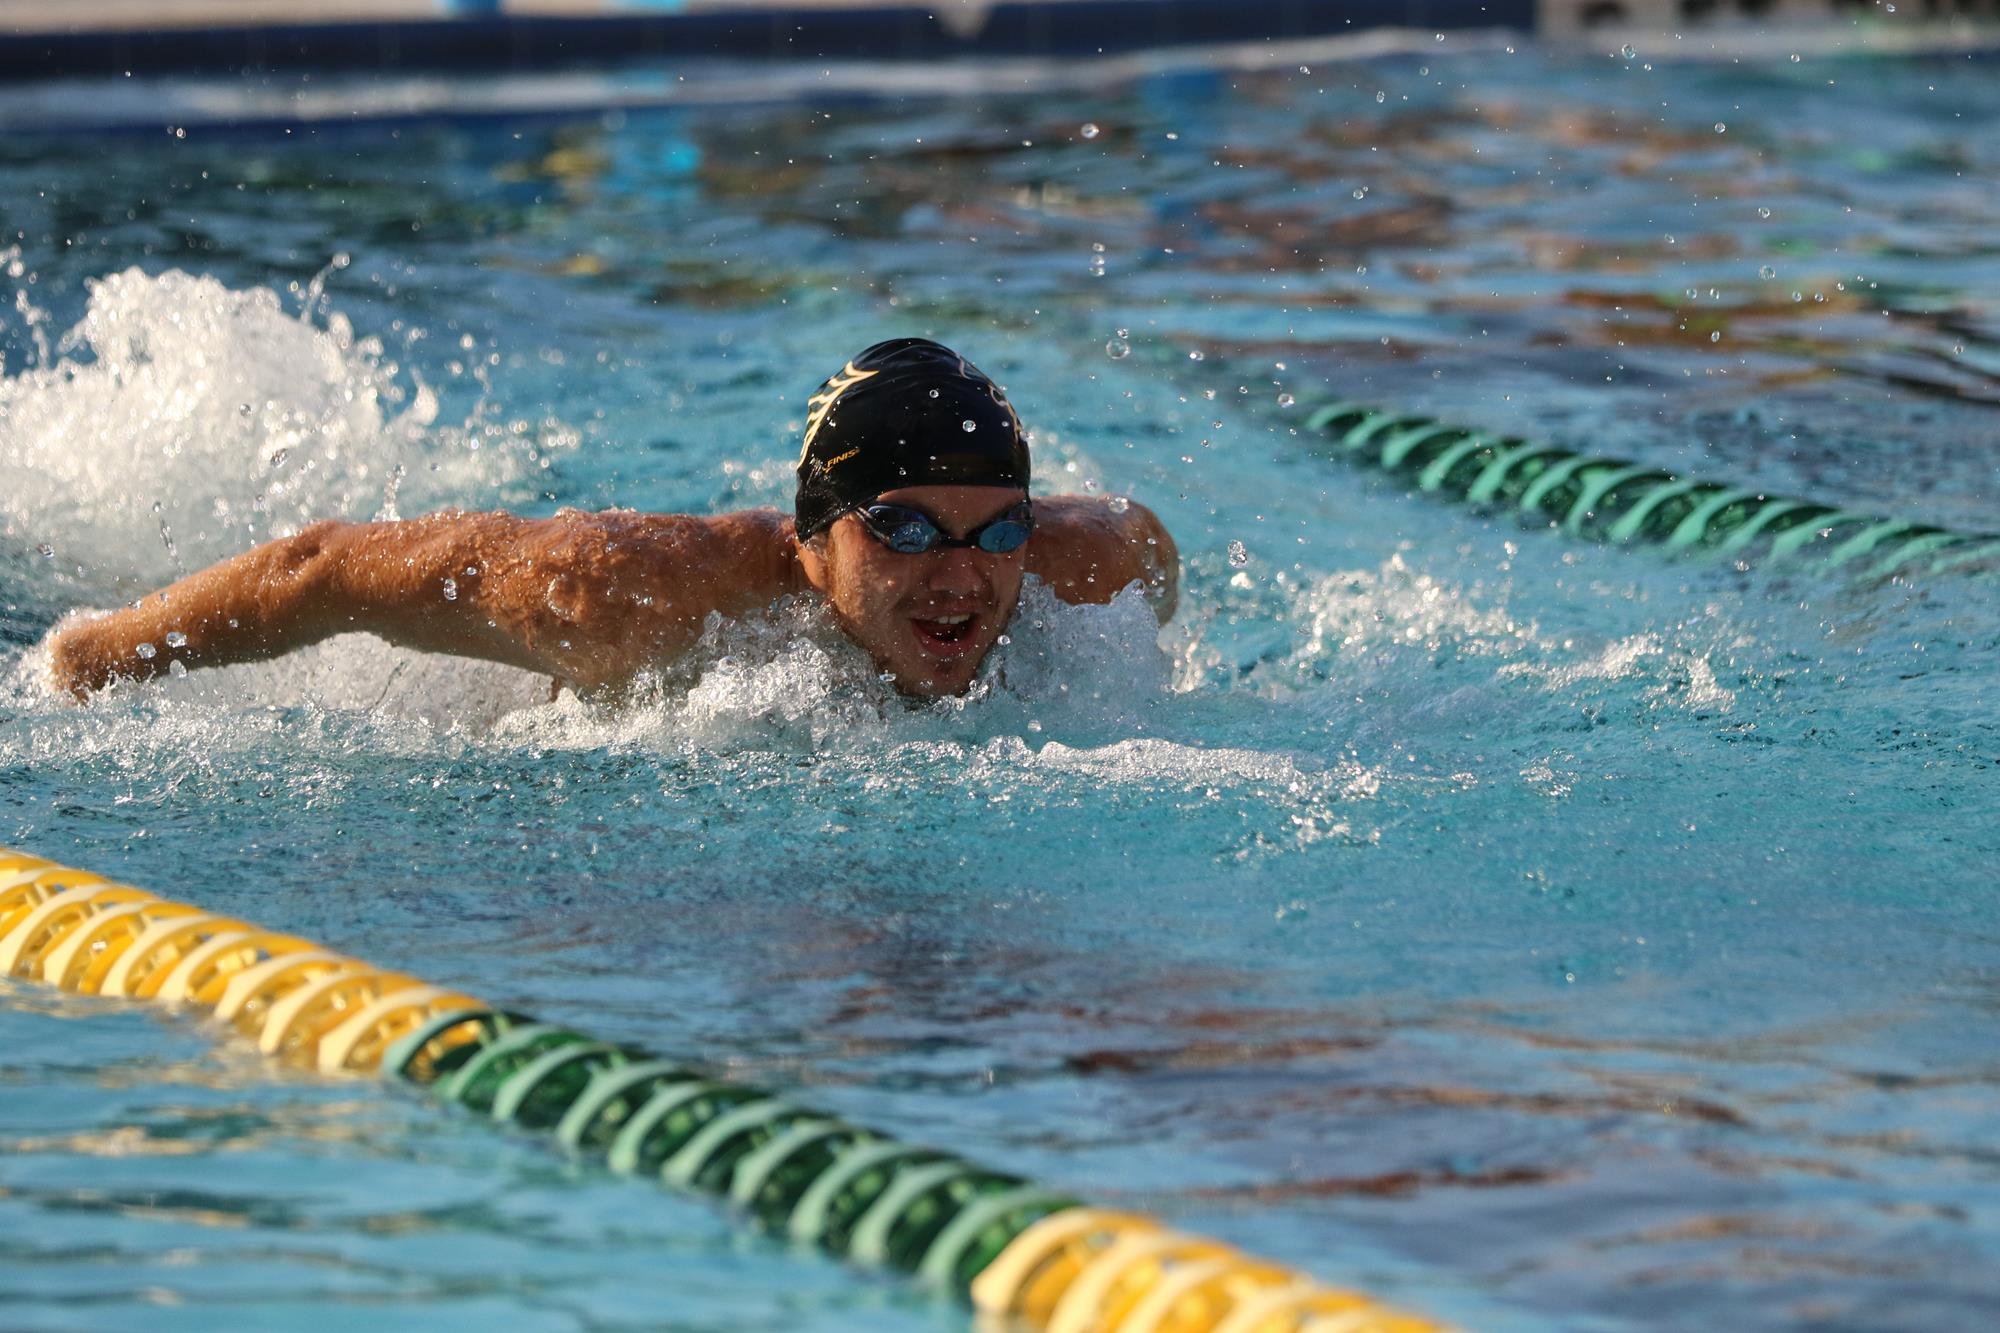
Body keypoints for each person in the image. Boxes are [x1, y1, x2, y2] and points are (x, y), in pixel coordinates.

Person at [46, 337, 1178, 702]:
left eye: (995, 530)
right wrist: (85, 660)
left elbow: (1147, 562)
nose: (960, 577)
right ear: (811, 534)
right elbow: (325, 566)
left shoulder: (1091, 564)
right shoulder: (630, 593)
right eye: (907, 529)